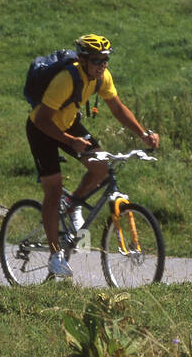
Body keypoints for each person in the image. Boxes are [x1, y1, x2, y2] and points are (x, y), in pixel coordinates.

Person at [26, 33, 160, 278]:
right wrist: (70, 141)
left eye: (105, 60)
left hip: (68, 124)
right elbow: (44, 119)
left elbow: (118, 108)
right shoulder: (66, 80)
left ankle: (72, 204)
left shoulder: (102, 78)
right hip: (42, 129)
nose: (102, 65)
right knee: (53, 190)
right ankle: (55, 255)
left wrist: (143, 134)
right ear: (83, 59)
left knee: (100, 167)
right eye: (97, 60)